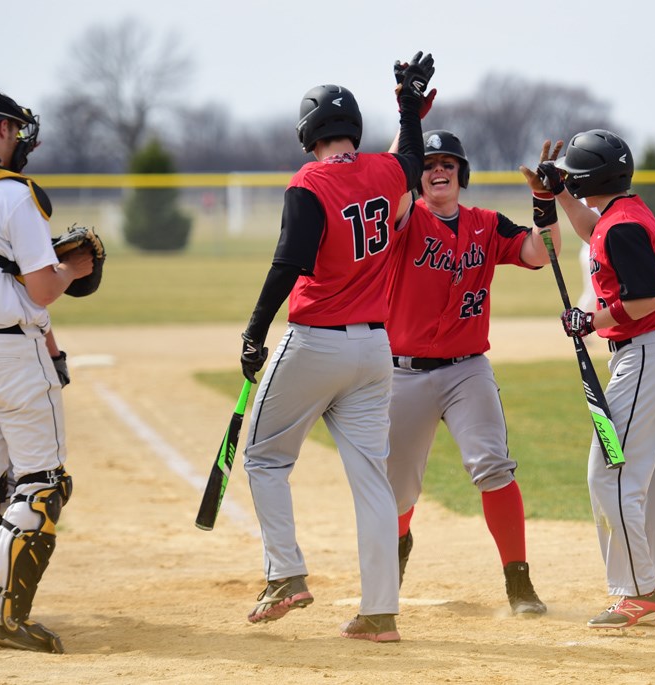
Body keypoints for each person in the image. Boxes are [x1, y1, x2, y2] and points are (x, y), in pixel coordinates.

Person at [237, 52, 434, 644]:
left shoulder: (309, 183)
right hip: (376, 350)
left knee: (265, 457)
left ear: (307, 135)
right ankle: (379, 612)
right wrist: (407, 102)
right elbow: (413, 159)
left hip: (317, 342)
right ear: (352, 131)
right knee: (372, 479)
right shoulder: (383, 172)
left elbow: (287, 264)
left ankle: (286, 574)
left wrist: (253, 332)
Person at [384, 130, 562, 615]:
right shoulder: (403, 221)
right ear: (417, 176)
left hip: (467, 371)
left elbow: (540, 252)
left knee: (492, 467)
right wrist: (405, 130)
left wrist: (544, 202)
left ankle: (519, 583)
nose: (438, 170)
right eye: (428, 164)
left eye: (448, 163)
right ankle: (396, 550)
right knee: (396, 488)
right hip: (404, 374)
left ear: (462, 173)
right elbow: (388, 186)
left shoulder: (486, 225)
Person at [538, 129, 655, 629]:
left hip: (644, 354)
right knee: (648, 480)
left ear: (588, 176)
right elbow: (590, 230)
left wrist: (590, 320)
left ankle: (638, 591)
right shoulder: (621, 216)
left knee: (611, 473)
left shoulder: (621, 226)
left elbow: (645, 299)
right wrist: (558, 191)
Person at [0, 86, 94, 653]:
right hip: (10, 355)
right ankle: (0, 615)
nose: (18, 140)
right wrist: (72, 268)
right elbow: (41, 289)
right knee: (42, 485)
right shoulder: (14, 195)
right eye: (13, 131)